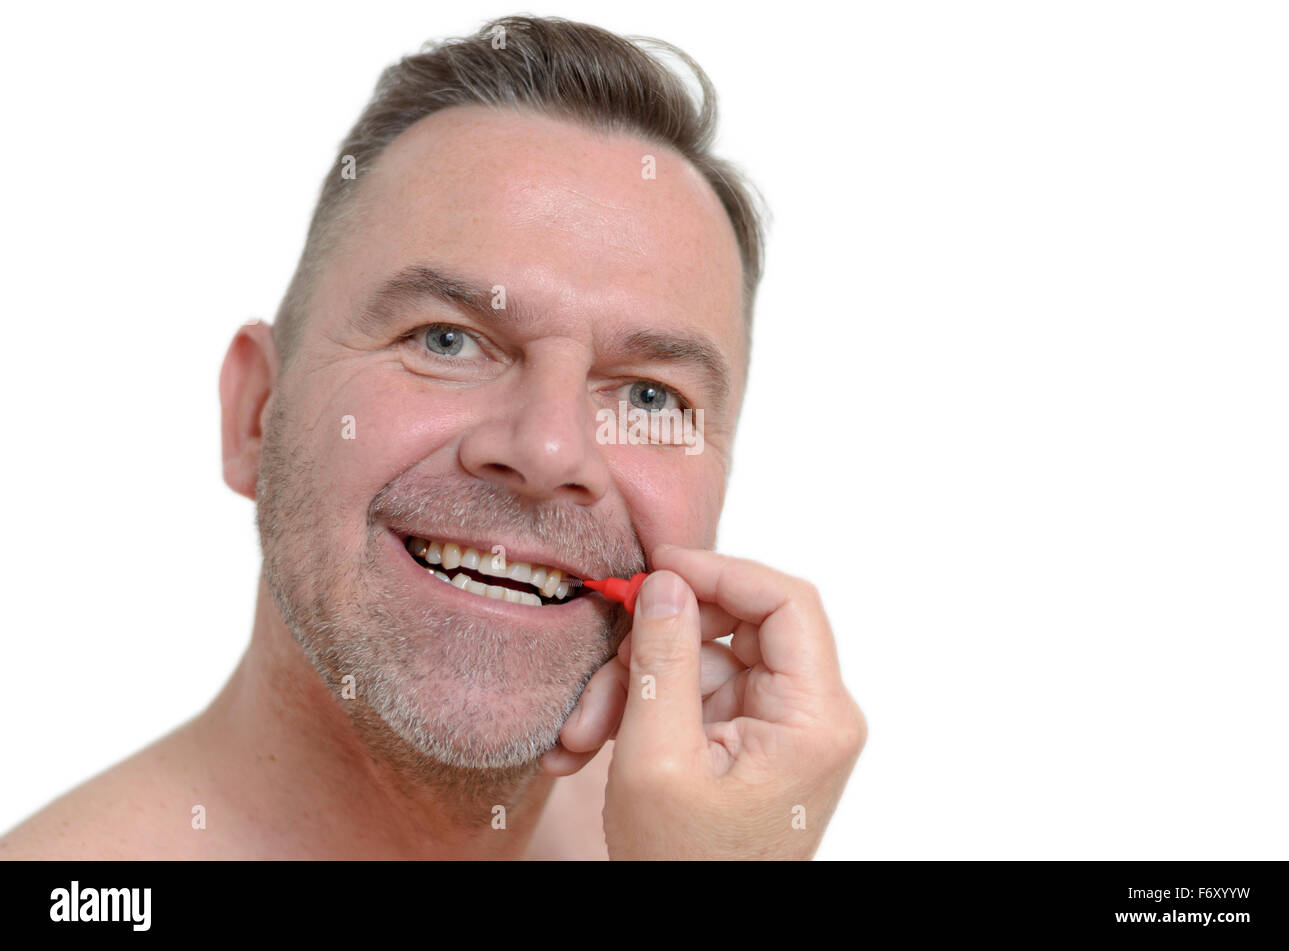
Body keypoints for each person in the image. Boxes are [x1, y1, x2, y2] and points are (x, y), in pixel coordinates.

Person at [1, 14, 865, 860]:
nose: (550, 450)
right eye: (446, 340)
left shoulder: (688, 823)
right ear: (256, 412)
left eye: (648, 394)